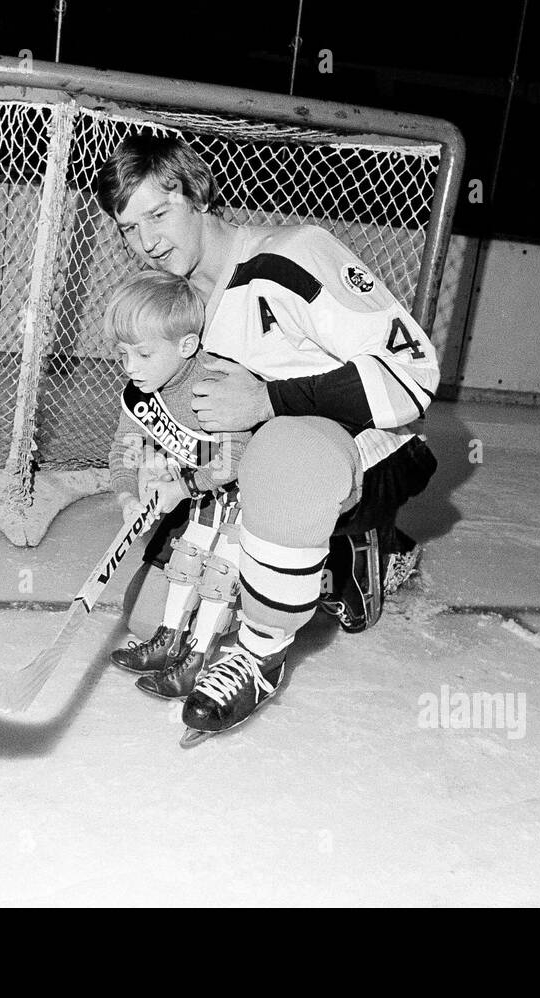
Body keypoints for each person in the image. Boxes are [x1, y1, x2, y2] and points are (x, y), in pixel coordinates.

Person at [96, 135, 440, 747]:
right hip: (232, 476)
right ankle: (313, 553)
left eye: (159, 213)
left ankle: (263, 652)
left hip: (360, 453)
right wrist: (150, 468)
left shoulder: (291, 256)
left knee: (281, 456)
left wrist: (269, 400)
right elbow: (165, 414)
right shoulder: (178, 301)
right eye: (128, 227)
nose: (145, 242)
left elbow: (412, 376)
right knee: (149, 613)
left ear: (198, 194)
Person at [103, 270, 251, 700]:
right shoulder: (143, 389)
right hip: (204, 493)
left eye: (144, 354)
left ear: (186, 346)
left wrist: (185, 486)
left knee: (220, 572)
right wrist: (128, 494)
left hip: (250, 499)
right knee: (185, 560)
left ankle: (198, 657)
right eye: (123, 353)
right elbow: (124, 450)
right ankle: (168, 641)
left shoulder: (214, 387)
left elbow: (234, 459)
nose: (130, 367)